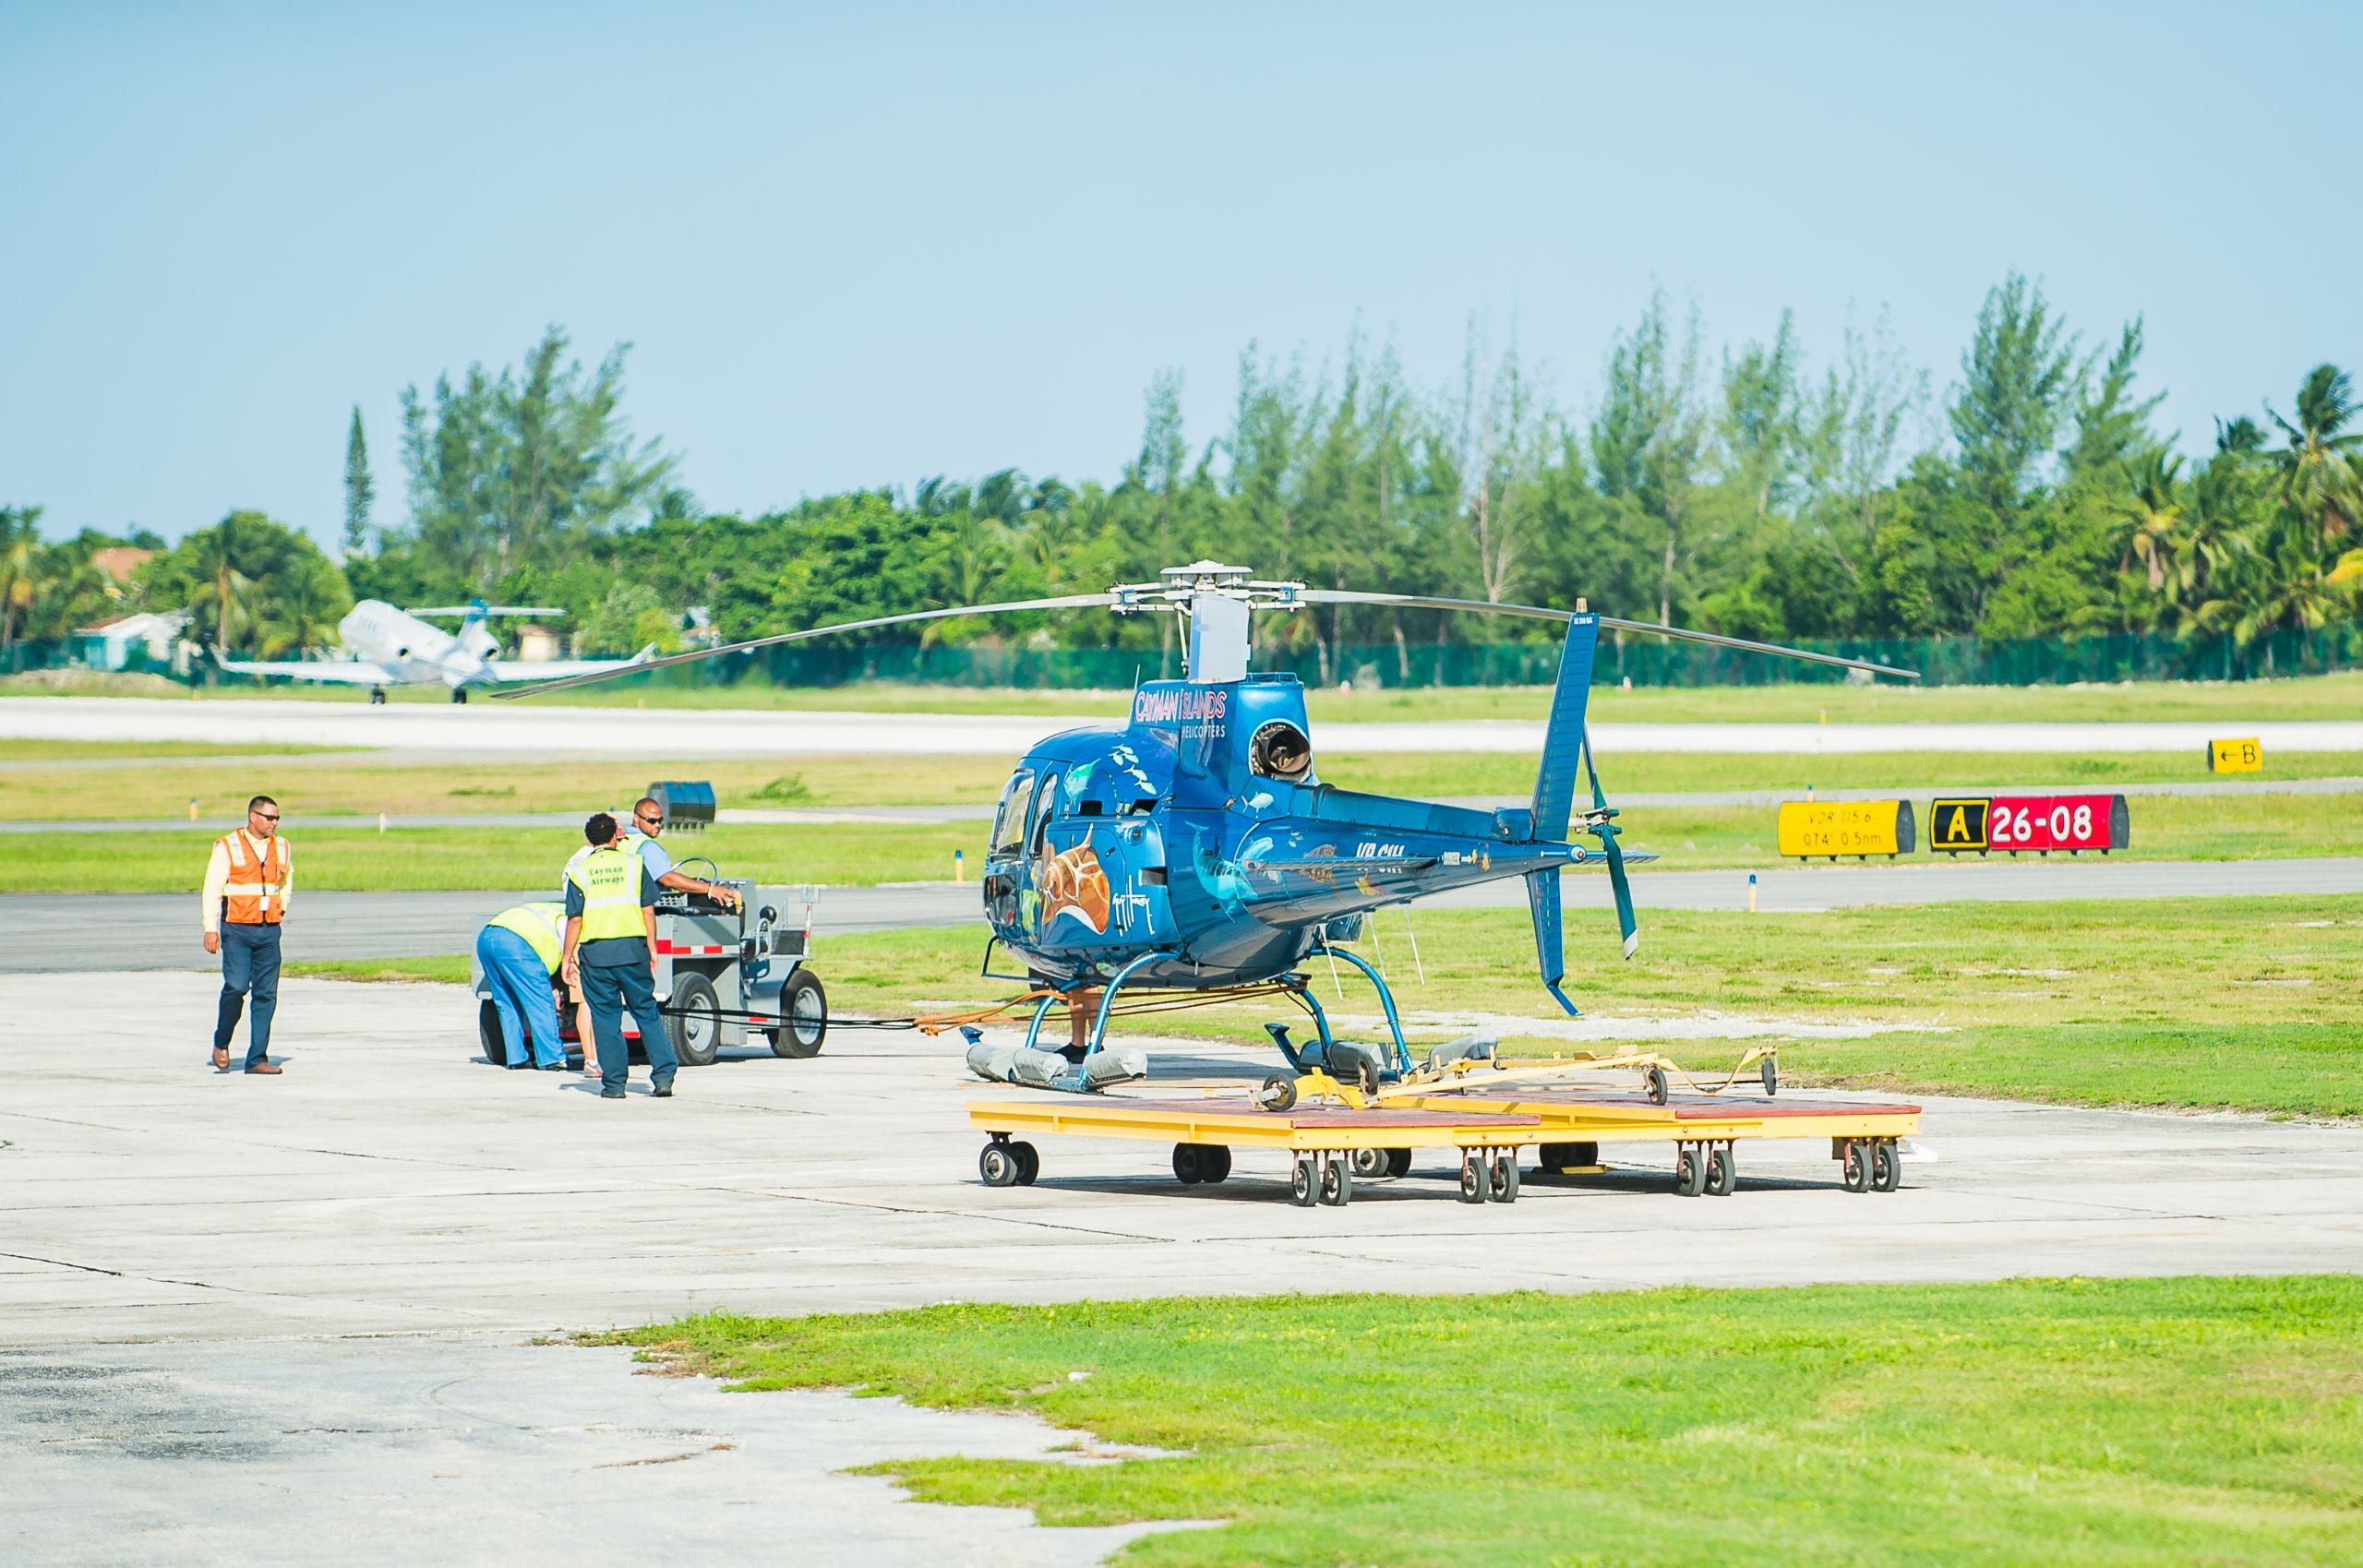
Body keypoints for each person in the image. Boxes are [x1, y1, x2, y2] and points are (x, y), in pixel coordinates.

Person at [562, 811, 678, 1101]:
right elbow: (648, 910)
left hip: (596, 955)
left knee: (605, 1018)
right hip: (632, 951)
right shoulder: (634, 864)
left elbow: (574, 919)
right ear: (616, 836)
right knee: (646, 1013)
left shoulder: (580, 871)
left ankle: (614, 1085)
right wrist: (652, 947)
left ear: (589, 840)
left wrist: (567, 958)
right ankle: (663, 1076)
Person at [201, 794, 292, 1074]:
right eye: (270, 817)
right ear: (253, 817)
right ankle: (221, 1040)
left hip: (268, 930)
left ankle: (257, 1059)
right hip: (237, 929)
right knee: (237, 986)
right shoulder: (228, 846)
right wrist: (210, 928)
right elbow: (212, 888)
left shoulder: (283, 846)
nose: (274, 823)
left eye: (277, 818)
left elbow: (286, 881)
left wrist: (282, 908)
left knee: (266, 995)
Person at [475, 901, 571, 1071]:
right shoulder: (569, 918)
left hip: (486, 937)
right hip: (515, 943)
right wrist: (555, 990)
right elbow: (567, 950)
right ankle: (552, 1058)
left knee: (506, 1003)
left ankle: (515, 1058)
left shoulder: (551, 909)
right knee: (540, 1003)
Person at [623, 796, 739, 908]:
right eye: (651, 821)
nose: (658, 825)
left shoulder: (624, 840)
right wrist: (710, 889)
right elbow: (668, 878)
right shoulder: (648, 847)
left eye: (660, 820)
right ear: (636, 818)